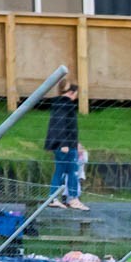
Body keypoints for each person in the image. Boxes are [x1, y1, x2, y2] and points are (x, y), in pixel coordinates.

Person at [44, 81, 89, 210]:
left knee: (68, 170)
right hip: (65, 146)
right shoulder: (65, 104)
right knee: (69, 171)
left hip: (68, 144)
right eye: (76, 94)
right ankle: (68, 198)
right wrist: (64, 144)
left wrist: (76, 143)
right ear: (72, 92)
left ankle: (63, 197)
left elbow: (68, 127)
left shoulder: (59, 104)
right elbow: (61, 125)